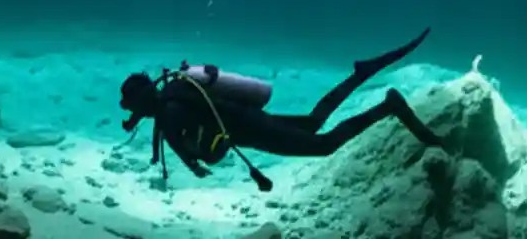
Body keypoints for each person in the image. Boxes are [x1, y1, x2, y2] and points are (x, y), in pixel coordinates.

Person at [119, 28, 444, 191]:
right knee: (313, 122)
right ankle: (359, 75)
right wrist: (189, 163)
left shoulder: (169, 112)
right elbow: (165, 135)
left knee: (323, 145)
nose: (134, 113)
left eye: (133, 107)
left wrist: (196, 163)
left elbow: (183, 143)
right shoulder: (172, 92)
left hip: (251, 130)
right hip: (247, 117)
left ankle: (389, 106)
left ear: (143, 101)